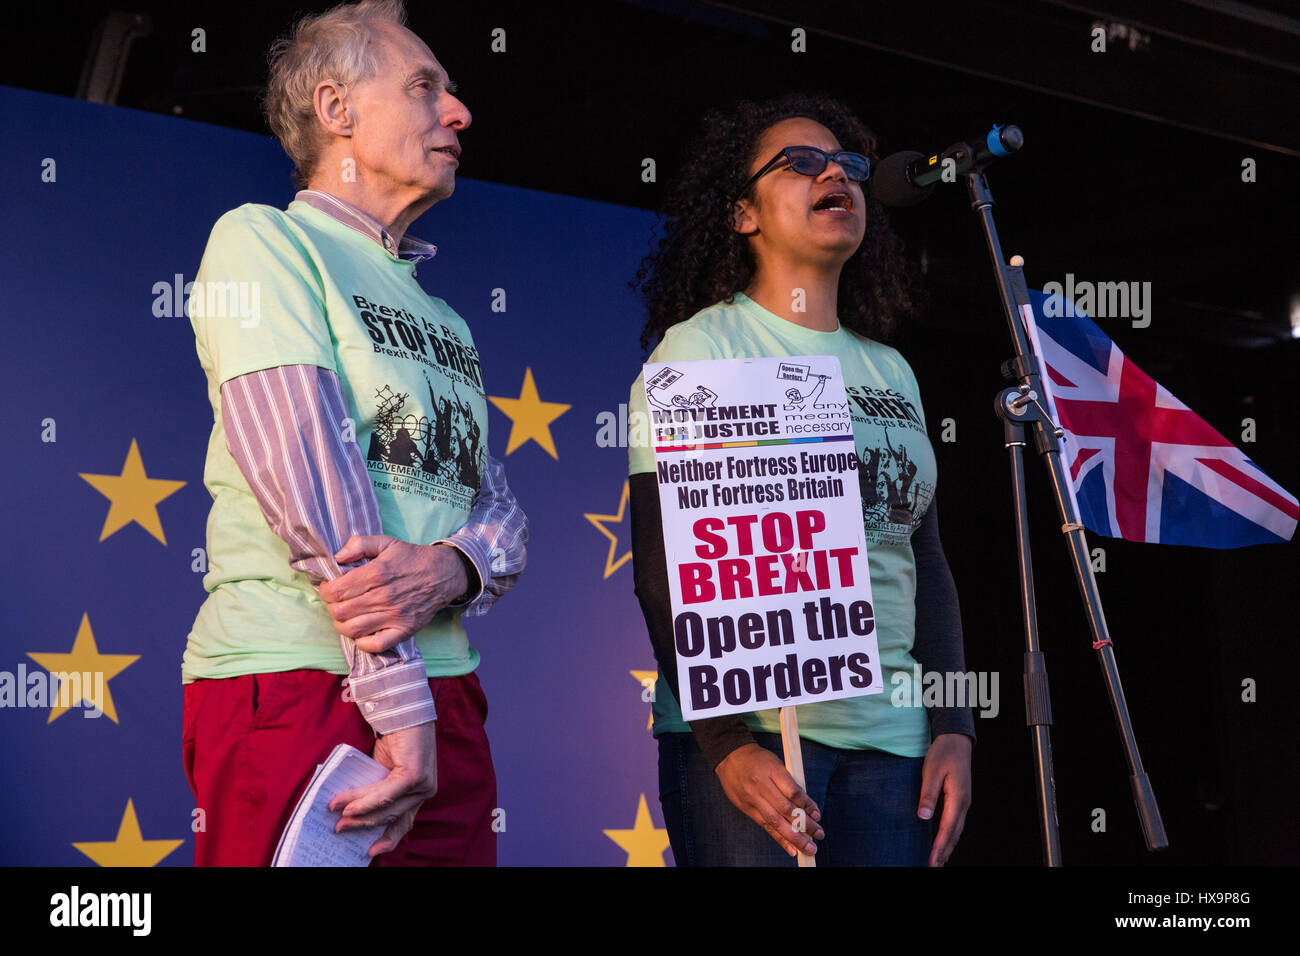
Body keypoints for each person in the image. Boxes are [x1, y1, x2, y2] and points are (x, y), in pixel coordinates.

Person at [182, 0, 527, 866]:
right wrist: (398, 704)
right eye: (424, 88)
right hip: (302, 684)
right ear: (337, 111)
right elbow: (311, 480)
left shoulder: (444, 314)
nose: (458, 112)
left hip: (451, 697)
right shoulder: (263, 241)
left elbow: (502, 519)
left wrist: (454, 565)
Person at [628, 93, 973, 866]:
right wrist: (724, 748)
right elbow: (663, 569)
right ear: (743, 214)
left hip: (896, 749)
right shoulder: (702, 349)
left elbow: (926, 559)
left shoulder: (893, 370)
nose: (838, 176)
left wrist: (954, 725)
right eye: (802, 163)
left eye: (849, 165)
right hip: (757, 741)